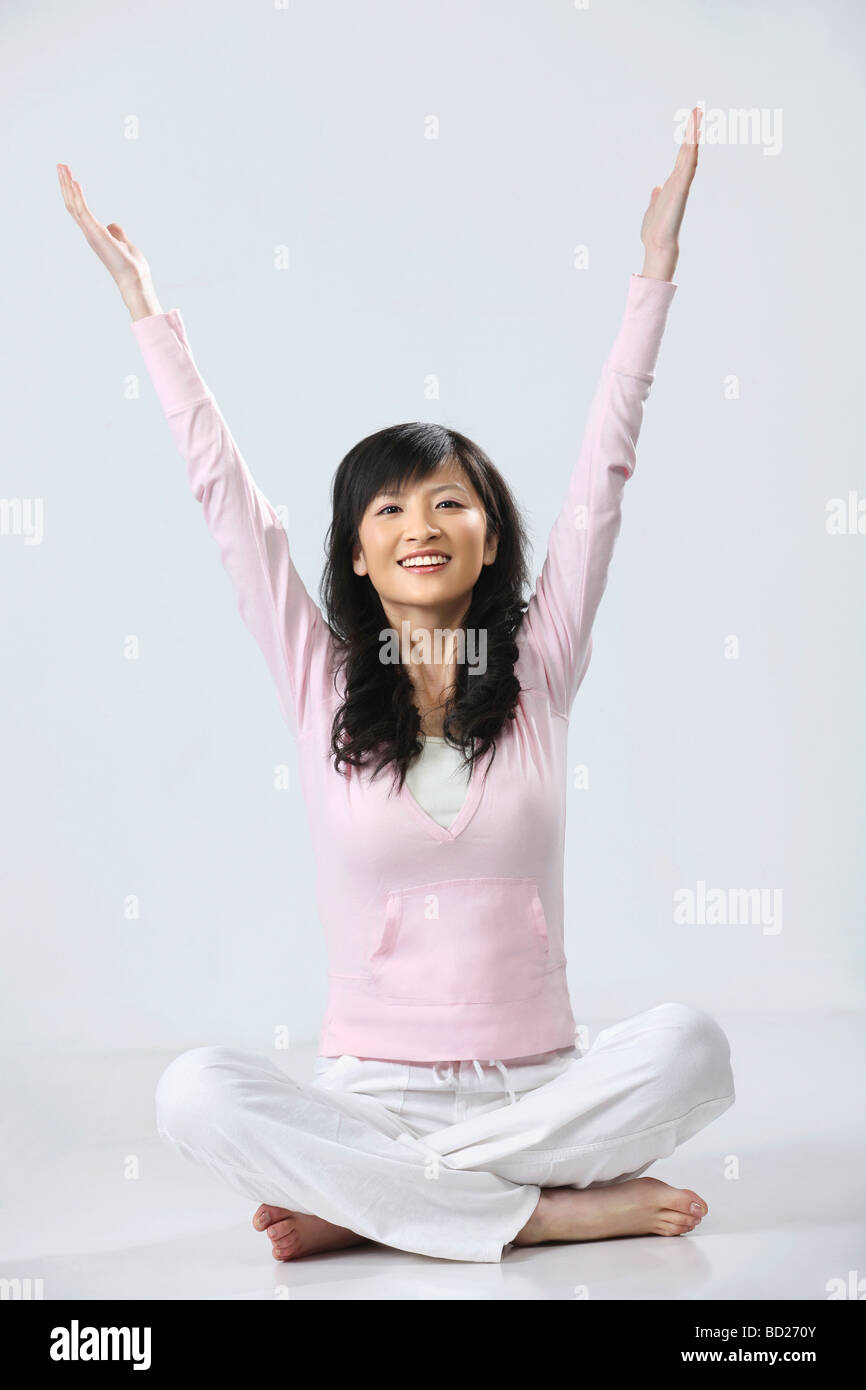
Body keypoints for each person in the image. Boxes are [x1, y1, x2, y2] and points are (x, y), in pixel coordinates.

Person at [56, 105, 735, 1265]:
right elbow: (228, 504)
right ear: (359, 555)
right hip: (369, 1093)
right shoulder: (322, 676)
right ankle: (536, 1210)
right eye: (388, 507)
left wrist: (654, 267)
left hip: (541, 1082)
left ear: (488, 539)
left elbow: (603, 469)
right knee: (191, 1093)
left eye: (448, 503)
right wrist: (145, 309)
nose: (420, 523)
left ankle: (375, 1207)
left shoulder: (538, 665)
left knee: (692, 1047)